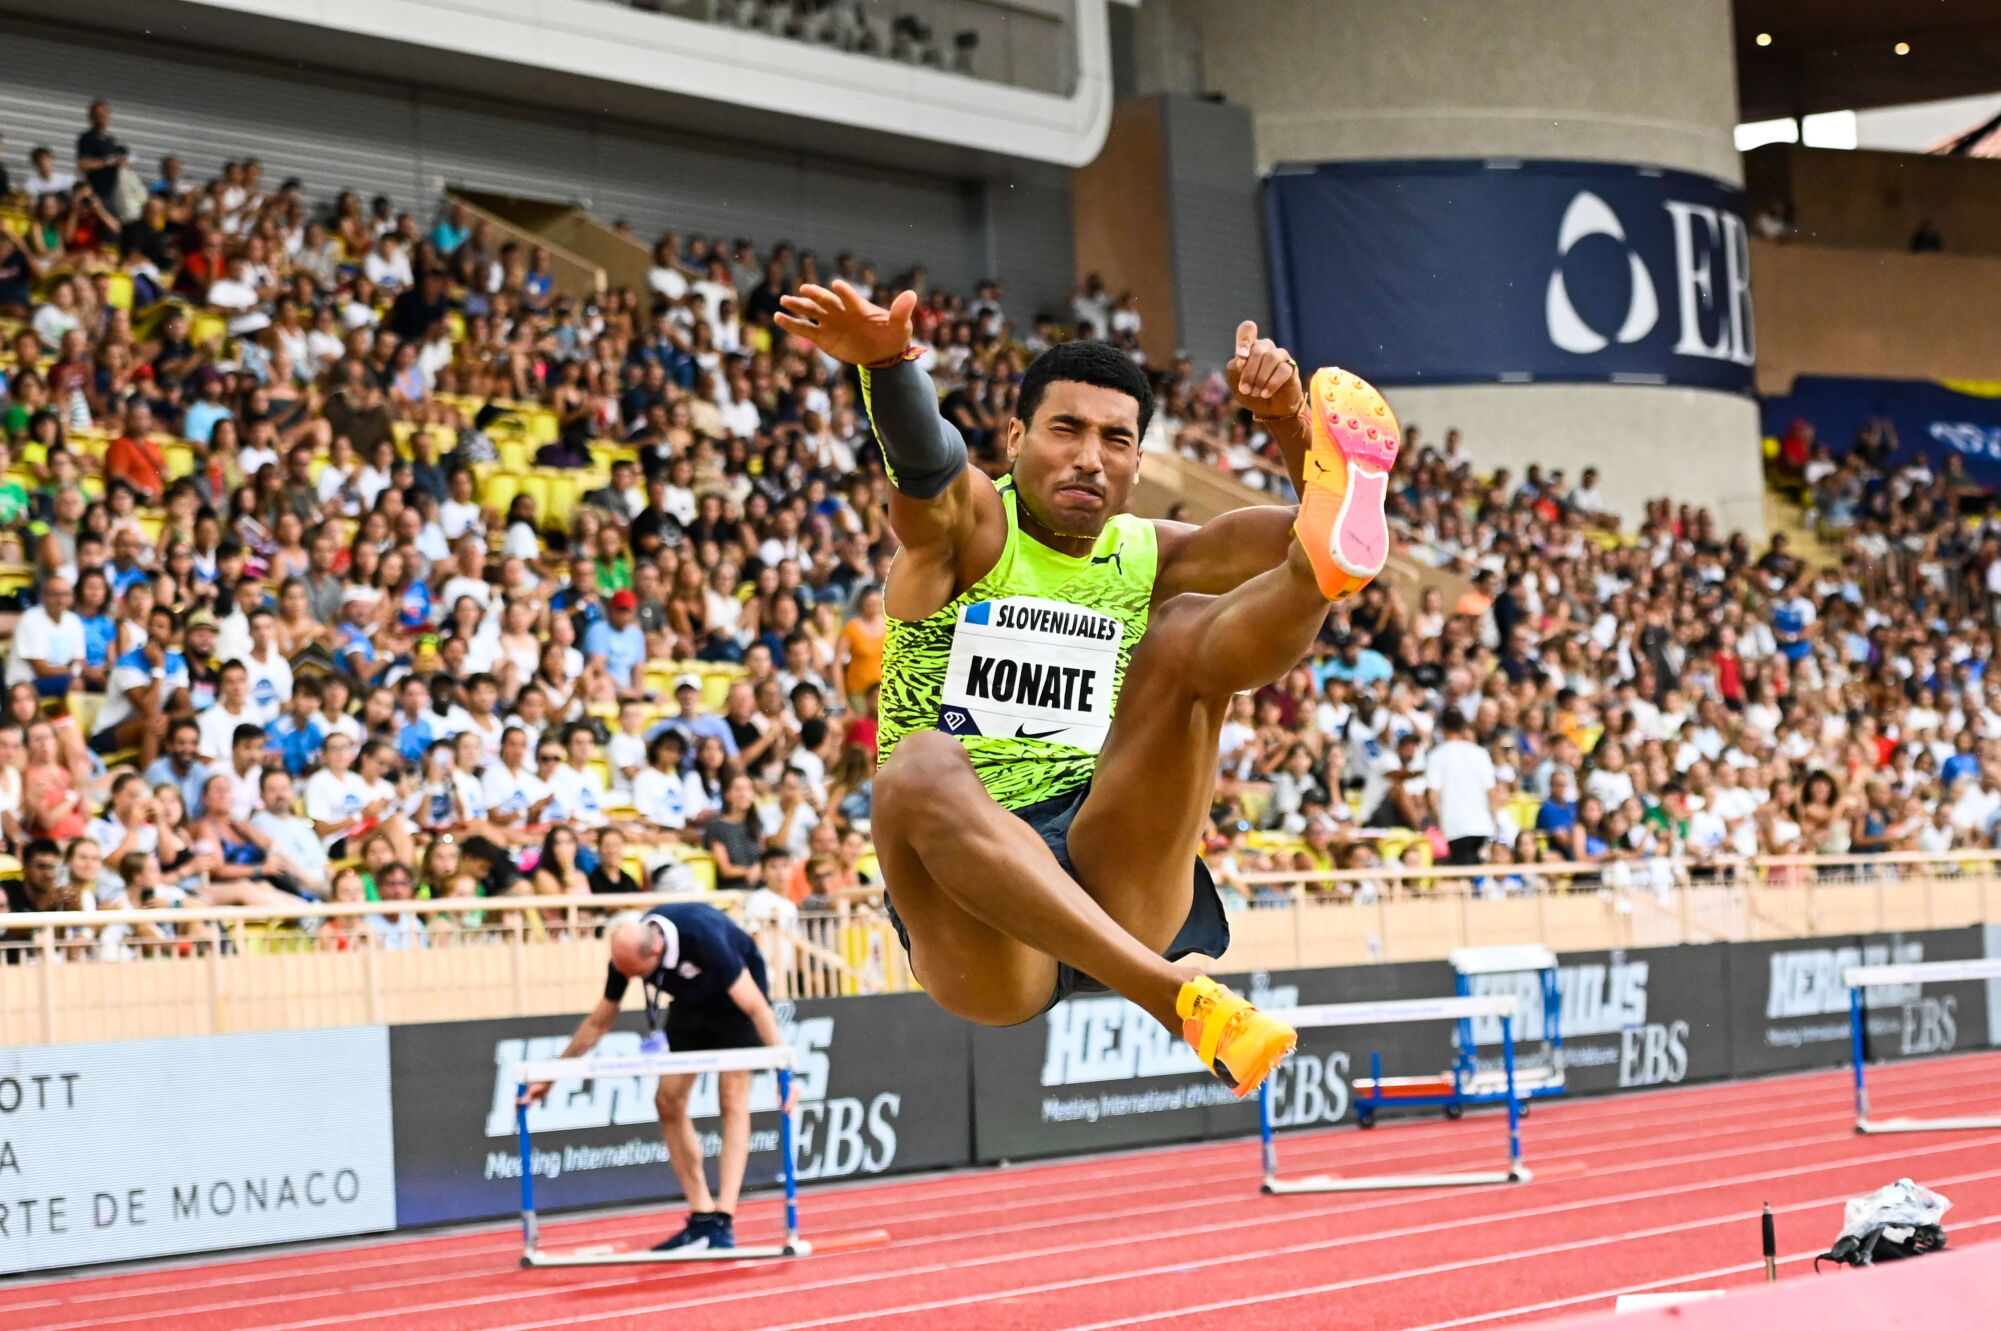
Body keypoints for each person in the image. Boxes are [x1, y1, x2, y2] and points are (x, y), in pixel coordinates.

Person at [776, 282, 1402, 1092]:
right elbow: (928, 465)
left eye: (1115, 439)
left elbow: (1298, 529)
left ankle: (1327, 576)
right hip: (984, 927)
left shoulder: (1146, 554)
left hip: (1113, 869)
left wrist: (1287, 423)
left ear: (1138, 462)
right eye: (1065, 429)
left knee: (1206, 619)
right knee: (918, 765)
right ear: (1014, 436)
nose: (1088, 457)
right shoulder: (971, 527)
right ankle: (1172, 995)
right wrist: (890, 368)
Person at [519, 904, 796, 1252]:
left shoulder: (704, 936)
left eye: (638, 974)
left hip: (736, 1006)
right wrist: (553, 1074)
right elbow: (600, 1021)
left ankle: (723, 1220)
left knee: (732, 1101)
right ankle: (702, 1216)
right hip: (689, 1006)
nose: (632, 979)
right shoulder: (628, 953)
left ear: (657, 950)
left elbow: (757, 1007)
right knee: (667, 1100)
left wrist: (786, 1074)